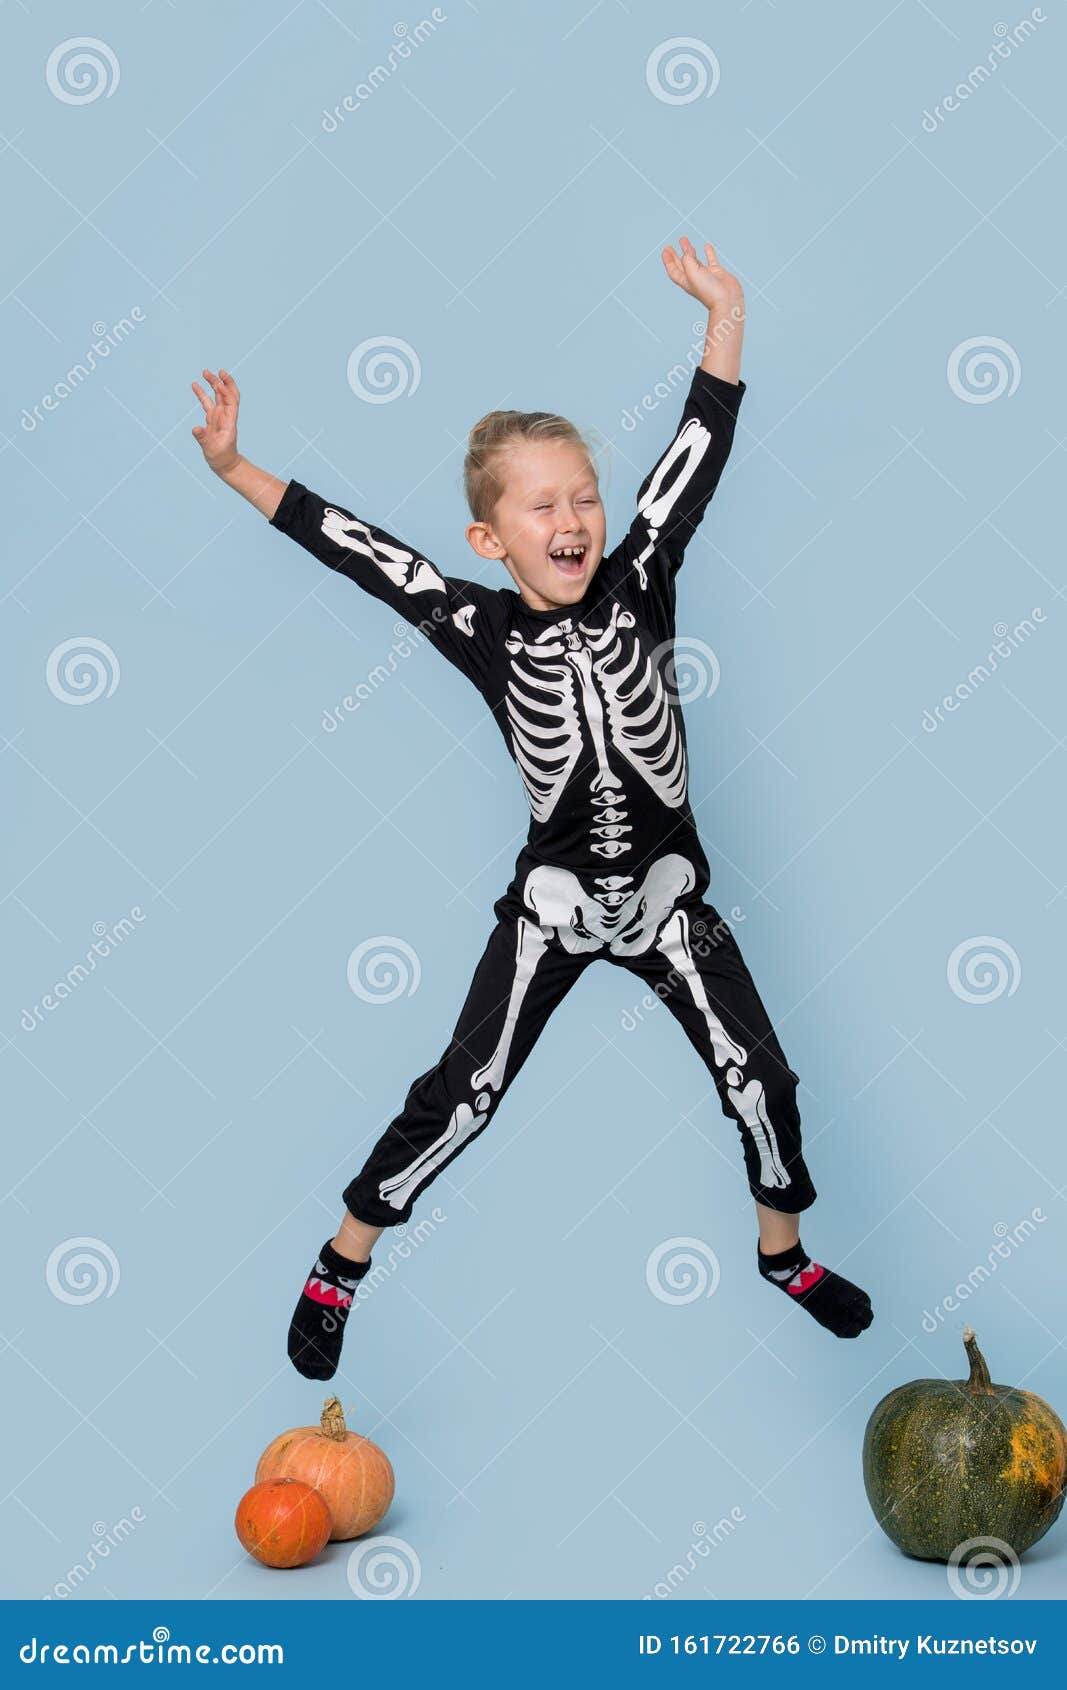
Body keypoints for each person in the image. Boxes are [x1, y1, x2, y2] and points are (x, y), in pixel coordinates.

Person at [191, 238, 873, 1380]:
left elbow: (695, 454)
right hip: (553, 907)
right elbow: (364, 552)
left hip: (665, 901)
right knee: (458, 1095)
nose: (573, 518)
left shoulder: (640, 576)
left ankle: (782, 1252)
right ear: (489, 539)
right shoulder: (477, 626)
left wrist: (726, 314)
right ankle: (341, 1258)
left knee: (764, 1078)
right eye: (542, 505)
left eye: (584, 498)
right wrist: (237, 470)